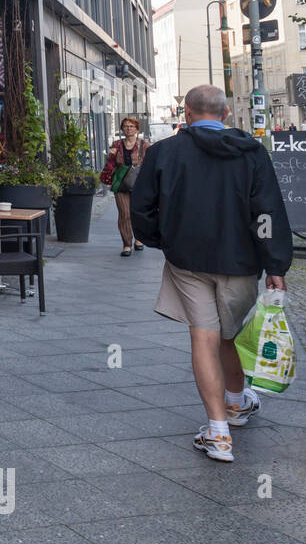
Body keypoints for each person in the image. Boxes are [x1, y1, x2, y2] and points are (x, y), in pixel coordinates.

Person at [130, 84, 292, 463]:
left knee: (204, 338)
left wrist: (160, 240)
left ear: (185, 113)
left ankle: (218, 432)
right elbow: (267, 212)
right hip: (240, 262)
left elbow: (142, 207)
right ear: (227, 114)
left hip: (187, 260)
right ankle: (236, 405)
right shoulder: (252, 153)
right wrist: (275, 265)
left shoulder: (164, 152)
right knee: (228, 334)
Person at [101, 116, 149, 256]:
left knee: (137, 212)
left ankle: (139, 238)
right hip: (121, 182)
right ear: (122, 129)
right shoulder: (116, 145)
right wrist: (111, 156)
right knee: (125, 214)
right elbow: (111, 164)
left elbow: (151, 164)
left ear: (137, 129)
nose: (129, 129)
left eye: (131, 126)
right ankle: (127, 244)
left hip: (139, 183)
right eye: (126, 126)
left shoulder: (144, 145)